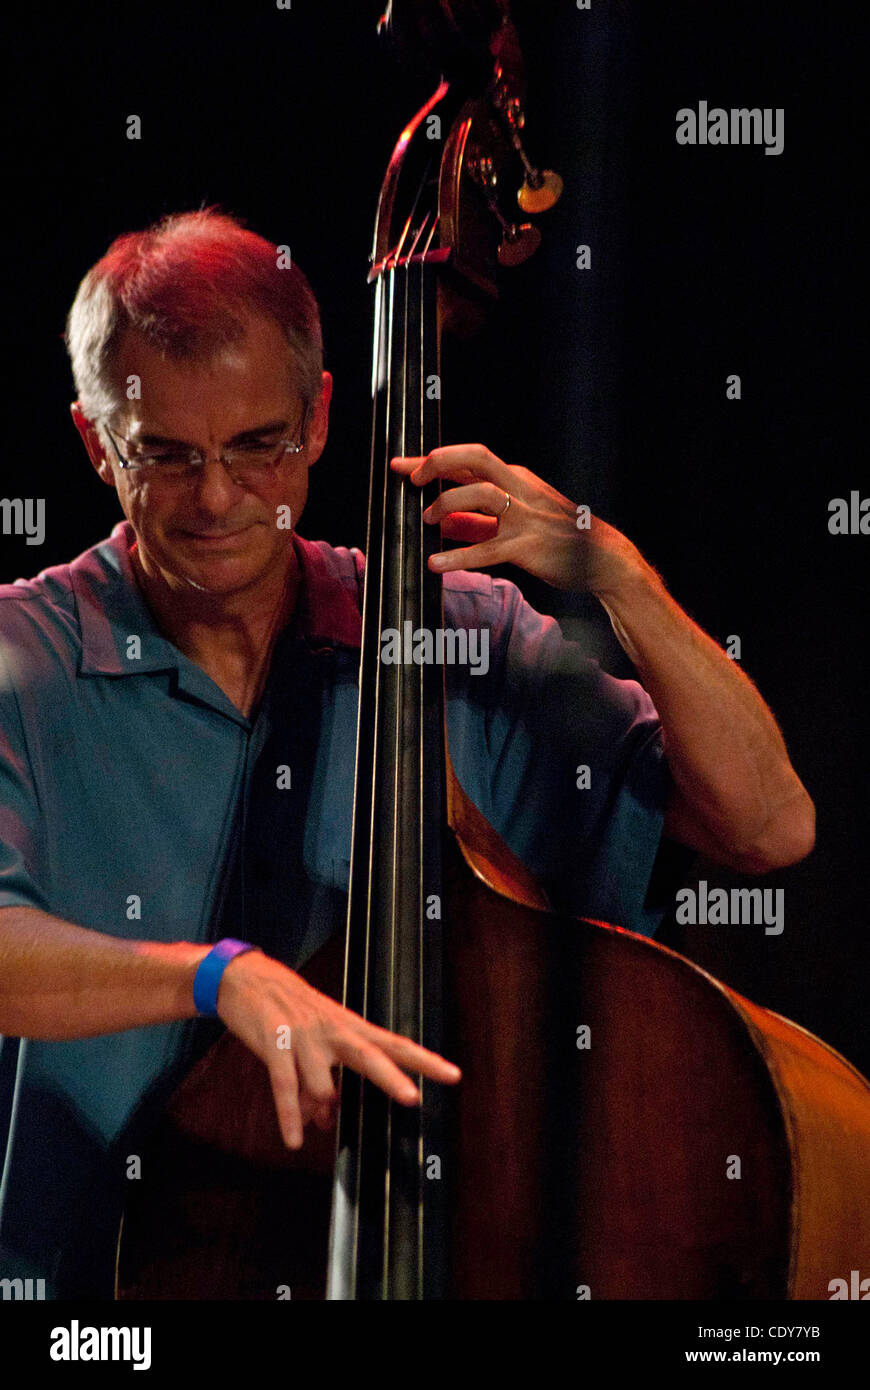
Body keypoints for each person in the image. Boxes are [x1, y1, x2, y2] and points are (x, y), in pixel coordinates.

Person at [0, 210, 814, 1297]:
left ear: (324, 413)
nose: (216, 499)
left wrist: (616, 576)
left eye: (258, 447)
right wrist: (210, 977)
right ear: (95, 440)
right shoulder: (23, 658)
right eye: (165, 456)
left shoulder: (456, 637)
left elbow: (770, 828)